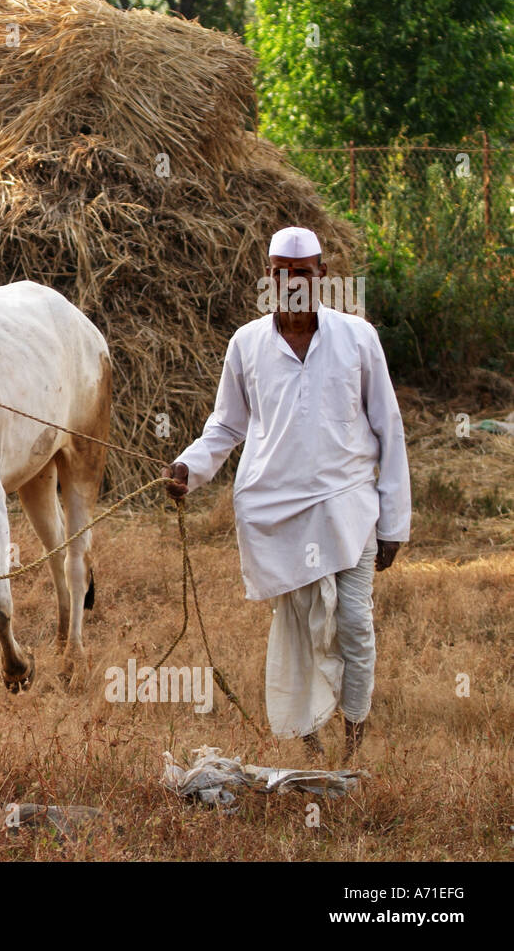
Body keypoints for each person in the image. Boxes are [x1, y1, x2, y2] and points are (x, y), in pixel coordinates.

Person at [163, 227, 410, 762]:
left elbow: (388, 428)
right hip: (276, 513)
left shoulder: (357, 338)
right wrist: (189, 466)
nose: (290, 281)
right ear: (268, 276)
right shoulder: (247, 344)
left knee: (352, 623)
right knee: (299, 629)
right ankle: (311, 742)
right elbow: (226, 428)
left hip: (349, 507)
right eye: (280, 271)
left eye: (301, 271)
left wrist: (394, 524)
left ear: (321, 275)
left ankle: (354, 737)